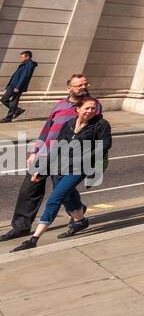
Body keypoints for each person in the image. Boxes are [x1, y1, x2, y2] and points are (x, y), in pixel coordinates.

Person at [0, 74, 97, 242]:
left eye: (85, 84)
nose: (83, 87)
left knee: (63, 190)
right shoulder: (60, 104)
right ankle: (21, 227)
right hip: (45, 153)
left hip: (66, 156)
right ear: (69, 88)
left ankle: (78, 213)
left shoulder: (90, 106)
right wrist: (35, 150)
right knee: (29, 190)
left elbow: (93, 131)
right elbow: (47, 129)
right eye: (78, 85)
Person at [11, 96, 112, 251]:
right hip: (62, 165)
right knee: (66, 195)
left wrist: (84, 157)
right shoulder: (69, 124)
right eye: (87, 108)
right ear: (78, 109)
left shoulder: (100, 124)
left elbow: (105, 144)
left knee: (55, 197)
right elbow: (57, 148)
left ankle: (34, 238)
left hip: (81, 167)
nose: (91, 111)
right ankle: (80, 221)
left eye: (93, 108)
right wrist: (42, 169)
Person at [1, 50, 37, 123]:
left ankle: (9, 117)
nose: (21, 58)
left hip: (16, 86)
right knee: (6, 100)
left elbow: (24, 76)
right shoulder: (24, 64)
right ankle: (17, 110)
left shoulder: (29, 64)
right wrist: (8, 86)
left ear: (27, 57)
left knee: (11, 100)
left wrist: (18, 87)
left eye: (22, 57)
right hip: (13, 85)